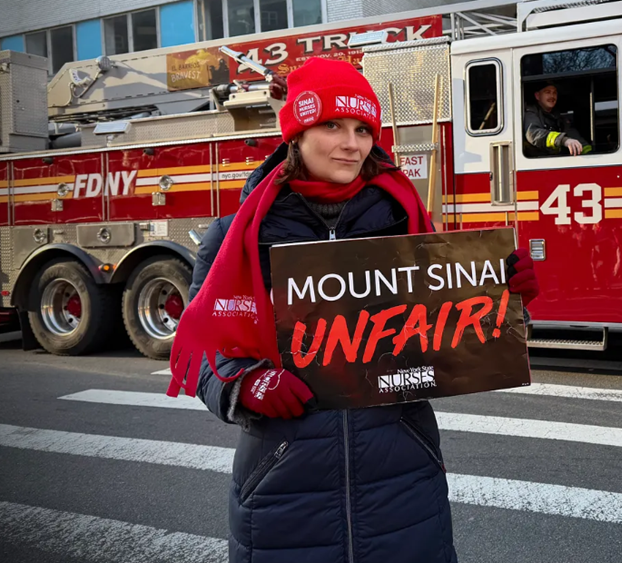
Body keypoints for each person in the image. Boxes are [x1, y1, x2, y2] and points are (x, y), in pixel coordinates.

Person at [166, 58, 541, 563]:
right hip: (282, 485)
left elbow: (456, 342)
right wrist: (247, 386)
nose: (351, 144)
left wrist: (503, 302)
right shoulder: (236, 236)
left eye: (363, 129)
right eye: (332, 126)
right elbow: (205, 355)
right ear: (296, 134)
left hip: (404, 482)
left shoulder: (406, 225)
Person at [523, 82, 592, 157]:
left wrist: (590, 153)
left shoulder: (558, 116)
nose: (552, 96)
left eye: (554, 93)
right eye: (548, 92)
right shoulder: (531, 112)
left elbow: (572, 134)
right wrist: (563, 140)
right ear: (537, 96)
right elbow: (533, 133)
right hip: (538, 160)